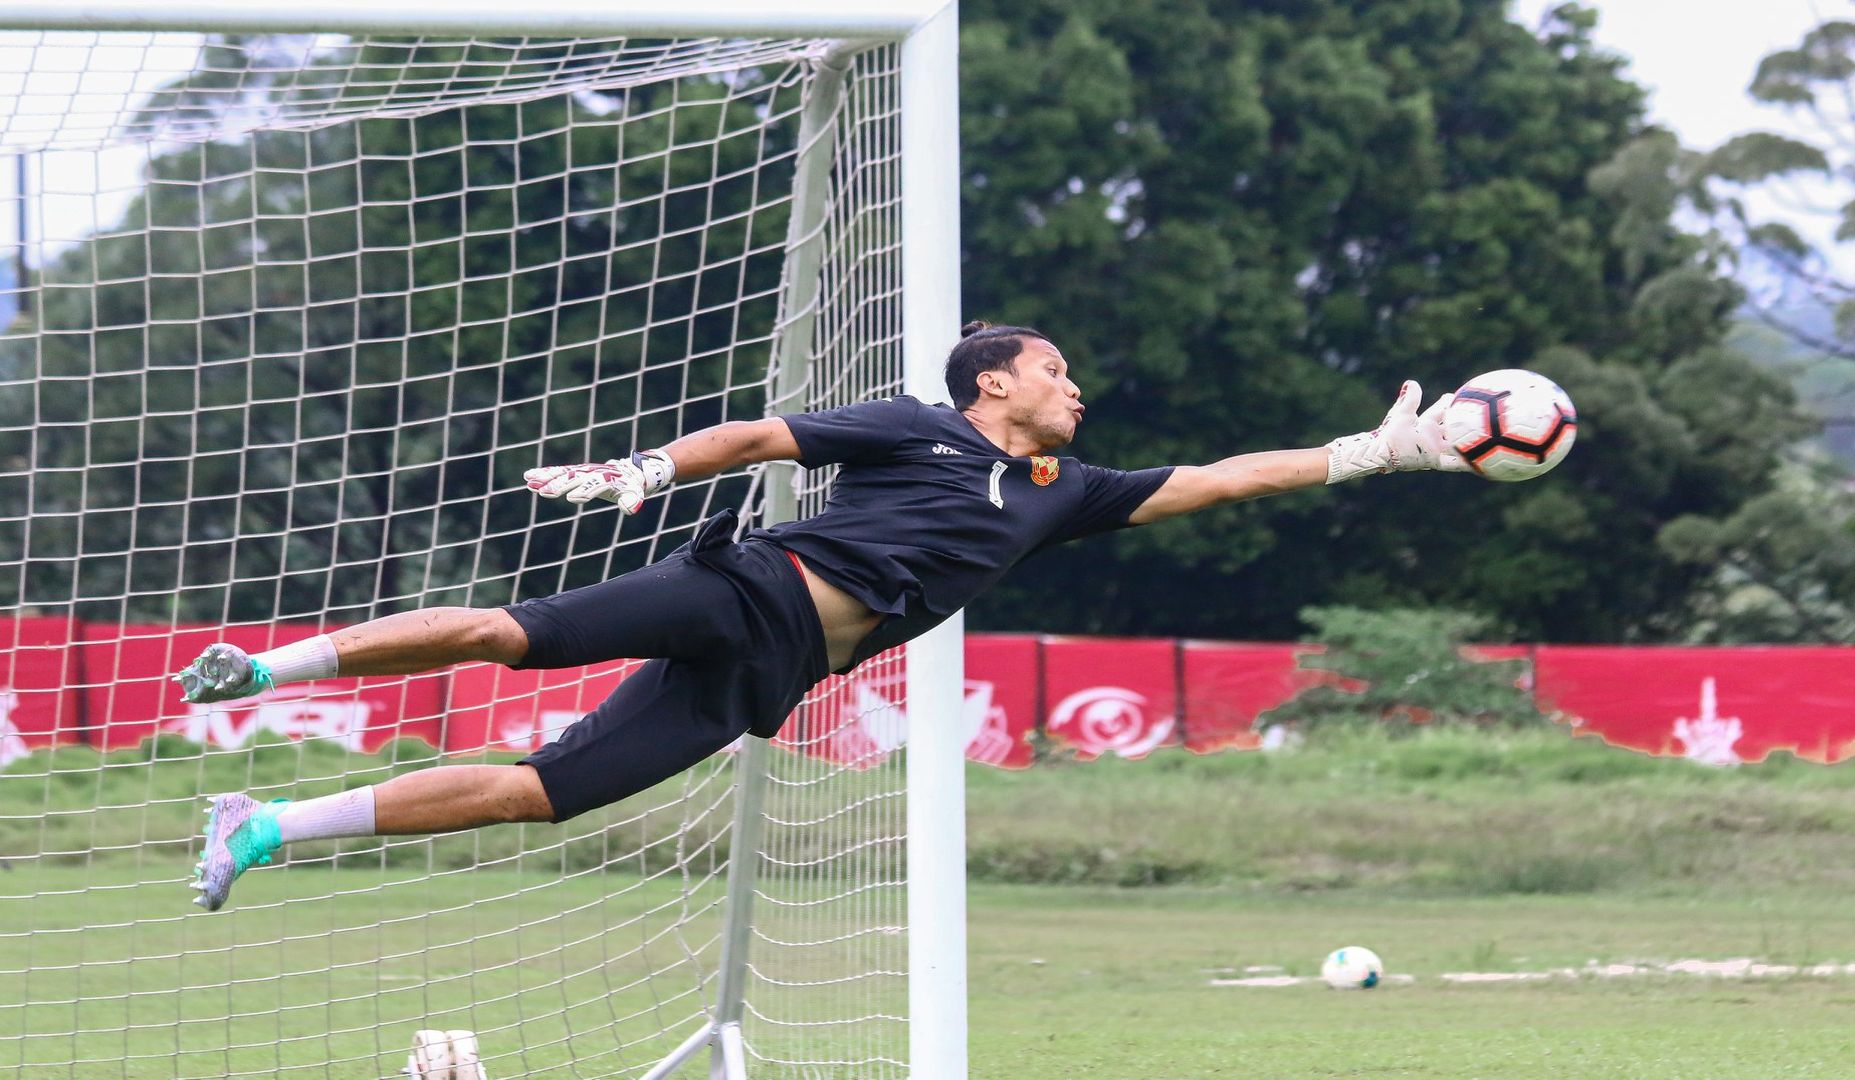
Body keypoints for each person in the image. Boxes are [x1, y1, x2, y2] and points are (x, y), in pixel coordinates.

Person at [177, 321, 1466, 910]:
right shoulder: (918, 423)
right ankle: (267, 665)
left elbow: (1229, 476)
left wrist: (1377, 452)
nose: (1079, 390)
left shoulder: (1062, 491)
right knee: (511, 632)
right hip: (744, 590)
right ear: (997, 380)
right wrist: (645, 472)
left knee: (543, 791)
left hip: (771, 674)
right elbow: (758, 433)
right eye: (1058, 371)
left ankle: (271, 820)